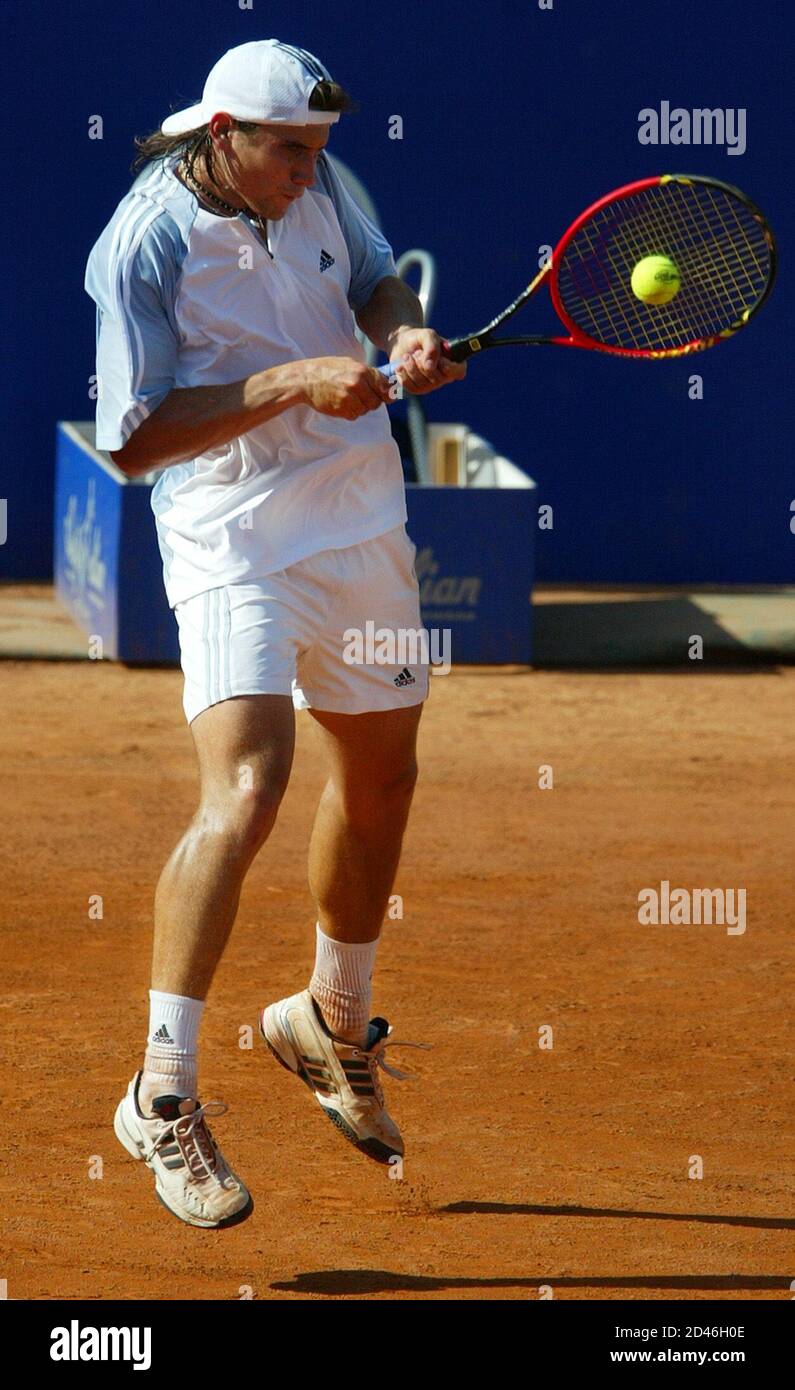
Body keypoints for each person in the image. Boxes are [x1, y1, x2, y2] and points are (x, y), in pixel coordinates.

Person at [85, 39, 465, 1228]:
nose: (310, 173)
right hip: (229, 533)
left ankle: (327, 1020)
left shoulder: (319, 184)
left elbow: (373, 281)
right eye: (287, 151)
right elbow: (133, 441)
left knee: (384, 776)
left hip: (356, 519)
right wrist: (296, 379)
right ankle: (161, 1095)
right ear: (221, 136)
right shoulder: (142, 243)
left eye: (320, 151)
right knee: (247, 792)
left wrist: (400, 335)